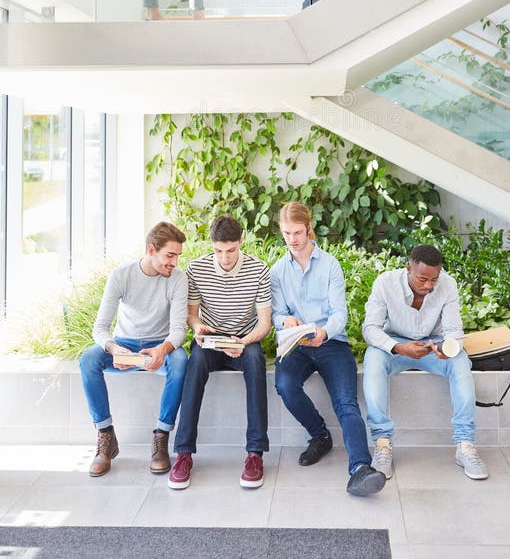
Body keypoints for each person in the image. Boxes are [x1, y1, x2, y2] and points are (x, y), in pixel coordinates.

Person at [270, 202, 386, 497]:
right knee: (285, 385)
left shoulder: (330, 265)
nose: (292, 239)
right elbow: (277, 313)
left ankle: (361, 468)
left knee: (346, 402)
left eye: (297, 232)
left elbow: (339, 314)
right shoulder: (278, 271)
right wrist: (285, 320)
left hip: (331, 342)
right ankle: (319, 435)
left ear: (308, 229)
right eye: (287, 233)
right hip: (297, 345)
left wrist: (323, 332)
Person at [362, 243, 489, 481]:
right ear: (408, 268)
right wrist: (398, 347)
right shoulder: (385, 283)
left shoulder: (447, 285)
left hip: (434, 345)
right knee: (373, 360)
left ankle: (465, 445)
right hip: (395, 345)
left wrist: (448, 348)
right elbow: (370, 329)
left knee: (460, 362)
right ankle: (382, 444)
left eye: (434, 279)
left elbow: (453, 330)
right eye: (423, 279)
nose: (429, 285)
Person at [168, 215, 271, 490]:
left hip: (245, 339)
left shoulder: (259, 270)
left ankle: (255, 454)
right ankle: (184, 453)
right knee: (196, 362)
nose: (225, 258)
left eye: (231, 250)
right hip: (211, 339)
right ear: (211, 245)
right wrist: (199, 327)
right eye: (218, 250)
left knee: (256, 362)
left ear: (241, 242)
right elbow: (191, 315)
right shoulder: (197, 269)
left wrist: (242, 342)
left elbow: (264, 324)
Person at [79, 221, 189, 477]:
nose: (174, 263)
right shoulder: (121, 275)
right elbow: (100, 328)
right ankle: (106, 435)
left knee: (180, 361)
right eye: (169, 256)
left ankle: (161, 437)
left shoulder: (178, 278)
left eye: (177, 256)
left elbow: (178, 331)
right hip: (125, 344)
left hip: (159, 345)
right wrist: (113, 348)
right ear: (151, 250)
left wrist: (163, 349)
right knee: (88, 360)